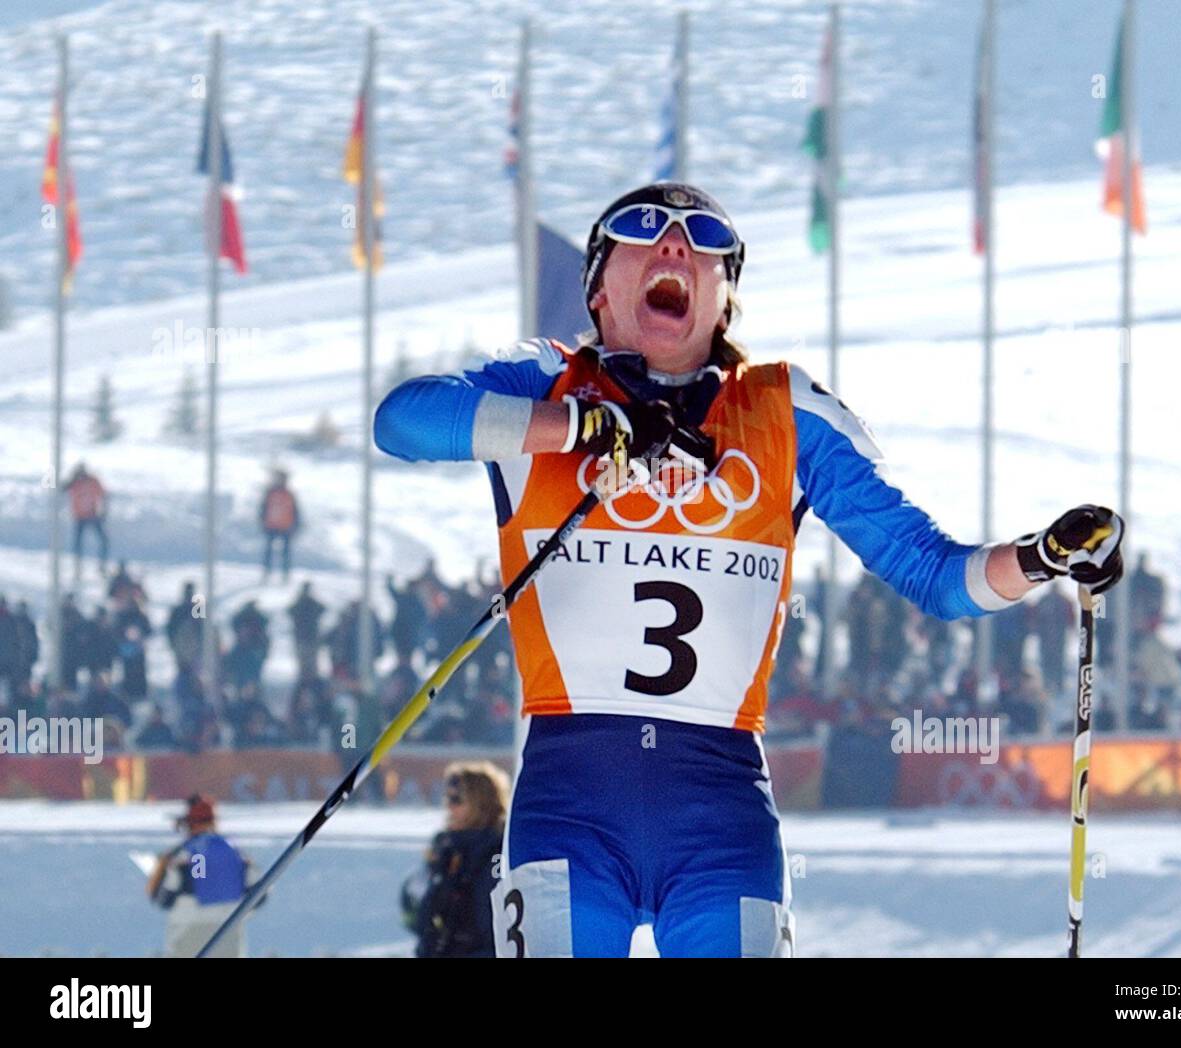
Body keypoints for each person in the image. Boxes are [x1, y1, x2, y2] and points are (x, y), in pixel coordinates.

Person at [373, 181, 1125, 957]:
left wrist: (1041, 558)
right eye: (643, 230)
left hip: (719, 814)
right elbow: (401, 421)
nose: (675, 246)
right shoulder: (545, 381)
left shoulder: (783, 411)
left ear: (724, 303)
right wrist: (577, 426)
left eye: (705, 242)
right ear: (598, 288)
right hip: (570, 804)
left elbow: (934, 575)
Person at [405, 763, 508, 958]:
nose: (448, 806)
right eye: (447, 797)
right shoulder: (448, 850)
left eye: (456, 799)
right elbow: (425, 919)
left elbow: (494, 935)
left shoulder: (495, 855)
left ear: (481, 803)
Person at [145, 795, 252, 957]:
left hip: (187, 937)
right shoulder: (236, 855)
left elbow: (162, 899)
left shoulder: (181, 856)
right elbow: (258, 896)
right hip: (228, 938)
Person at [65, 463, 109, 578]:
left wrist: (104, 511)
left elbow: (104, 494)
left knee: (103, 541)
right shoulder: (74, 483)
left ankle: (101, 566)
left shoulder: (92, 481)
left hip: (93, 515)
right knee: (78, 544)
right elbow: (62, 488)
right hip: (80, 517)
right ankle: (77, 568)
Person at [259, 468, 300, 582]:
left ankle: (285, 575)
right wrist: (263, 521)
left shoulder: (289, 494)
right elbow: (263, 509)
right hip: (271, 526)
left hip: (286, 527)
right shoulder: (270, 493)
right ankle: (266, 573)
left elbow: (295, 511)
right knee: (269, 552)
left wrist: (296, 525)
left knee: (285, 553)